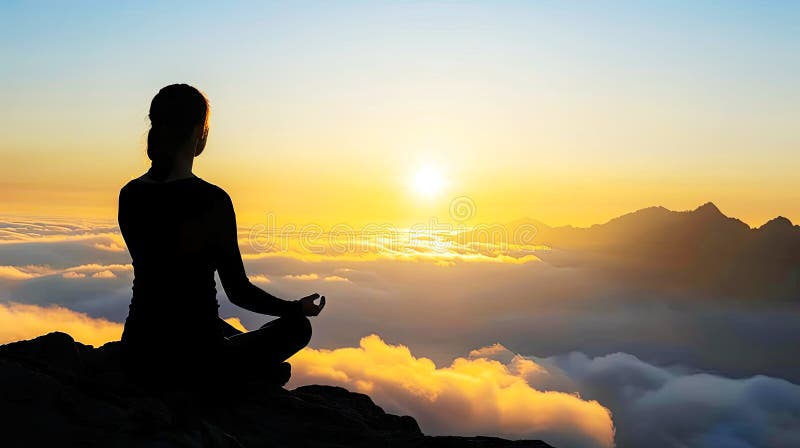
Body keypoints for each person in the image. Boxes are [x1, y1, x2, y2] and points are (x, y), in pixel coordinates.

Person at [117, 83, 325, 390]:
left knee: (214, 326)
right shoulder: (212, 200)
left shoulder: (130, 194)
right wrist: (296, 308)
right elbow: (238, 291)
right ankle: (253, 374)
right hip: (200, 359)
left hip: (139, 349)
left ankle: (252, 367)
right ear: (200, 134)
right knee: (296, 329)